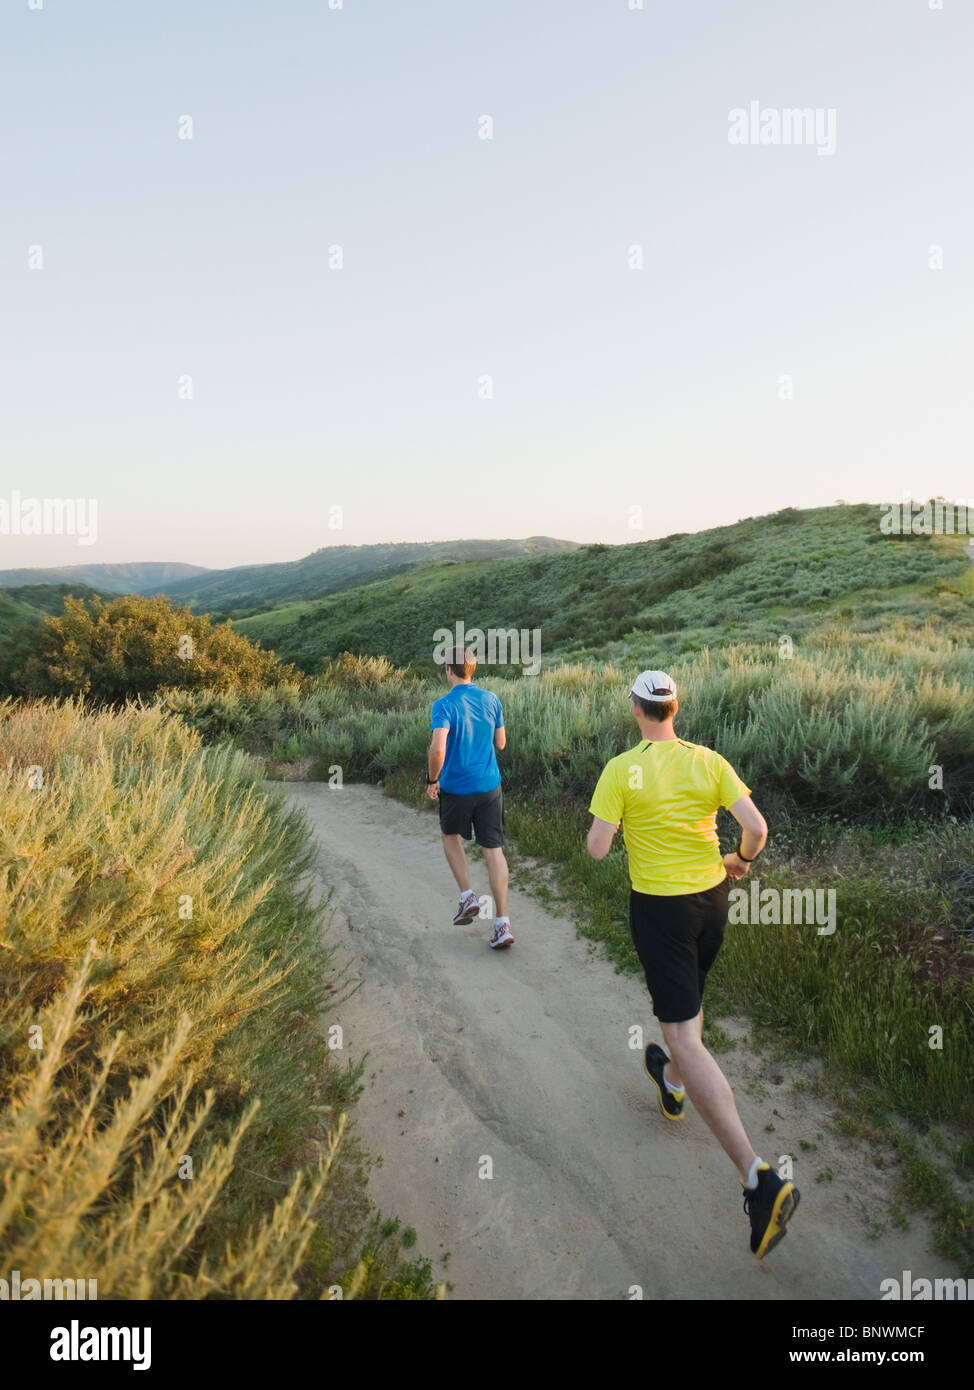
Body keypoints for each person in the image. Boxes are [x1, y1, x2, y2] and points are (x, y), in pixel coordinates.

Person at [586, 669, 799, 1260]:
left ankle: (759, 1178)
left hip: (660, 910)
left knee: (681, 1029)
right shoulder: (709, 759)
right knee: (689, 1006)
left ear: (636, 708)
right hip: (713, 900)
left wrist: (622, 819)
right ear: (674, 708)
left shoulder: (620, 769)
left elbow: (598, 849)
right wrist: (738, 859)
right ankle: (673, 1082)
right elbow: (756, 828)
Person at [426, 646, 513, 948]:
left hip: (456, 788)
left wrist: (432, 779)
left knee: (450, 836)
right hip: (489, 786)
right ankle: (502, 925)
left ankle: (467, 896)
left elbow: (438, 748)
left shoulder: (443, 705)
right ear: (472, 669)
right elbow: (500, 743)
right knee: (494, 850)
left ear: (449, 671)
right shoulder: (491, 699)